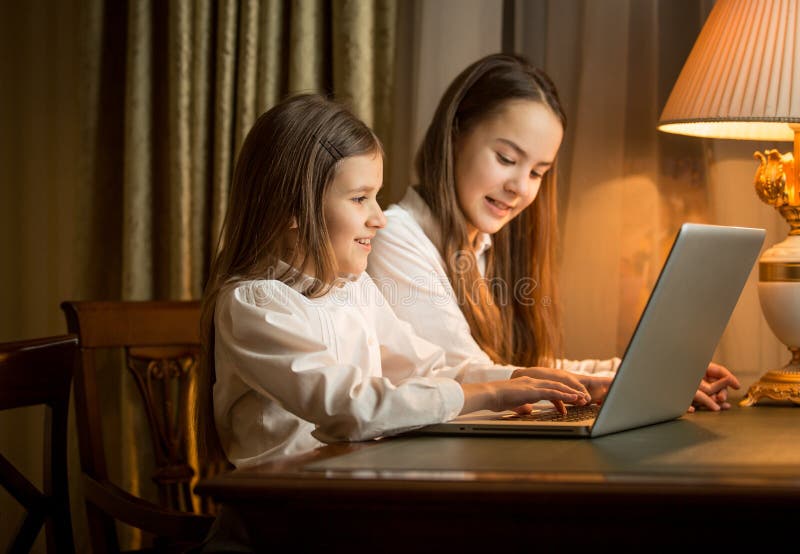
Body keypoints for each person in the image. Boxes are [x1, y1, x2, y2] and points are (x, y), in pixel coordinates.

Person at [195, 93, 605, 469]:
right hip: (279, 512)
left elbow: (426, 365)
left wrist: (516, 379)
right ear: (292, 209)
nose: (380, 217)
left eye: (376, 196)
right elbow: (349, 406)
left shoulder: (352, 288)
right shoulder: (255, 304)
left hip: (344, 491)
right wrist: (492, 396)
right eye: (360, 198)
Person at [367, 53, 739, 412]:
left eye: (537, 173)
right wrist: (621, 384)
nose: (520, 188)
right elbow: (466, 377)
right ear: (454, 136)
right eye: (507, 159)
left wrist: (639, 374)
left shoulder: (482, 244)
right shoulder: (395, 237)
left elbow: (523, 366)